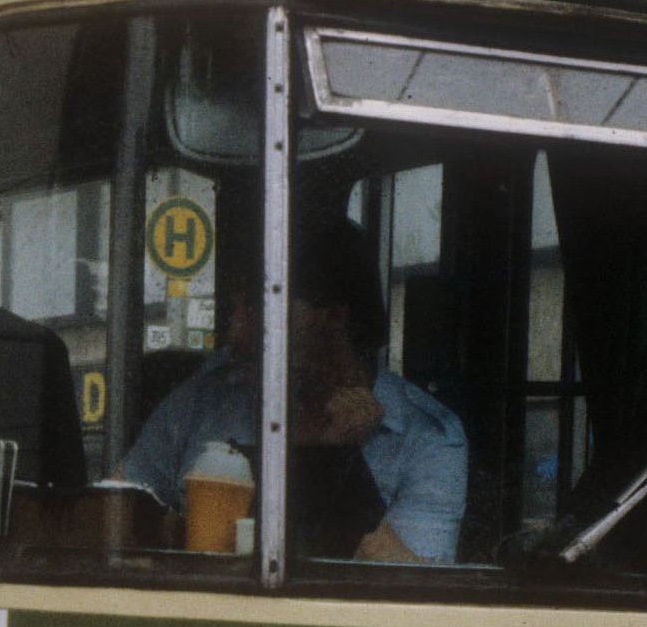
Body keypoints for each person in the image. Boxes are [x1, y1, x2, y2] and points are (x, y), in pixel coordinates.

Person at [115, 216, 469, 563]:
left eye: (256, 309)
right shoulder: (207, 397)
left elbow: (412, 591)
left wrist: (337, 464)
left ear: (333, 317)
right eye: (236, 310)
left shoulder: (424, 437)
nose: (234, 335)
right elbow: (114, 513)